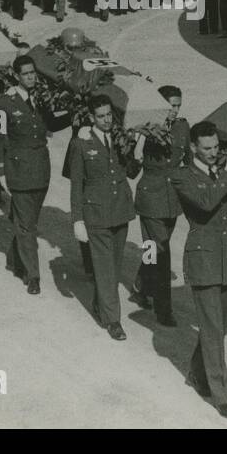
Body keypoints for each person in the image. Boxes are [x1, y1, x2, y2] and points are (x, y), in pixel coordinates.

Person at [168, 121, 227, 419]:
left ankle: (197, 373)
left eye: (216, 147)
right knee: (213, 330)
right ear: (193, 148)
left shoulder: (224, 173)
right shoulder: (182, 176)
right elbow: (205, 203)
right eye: (207, 148)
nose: (214, 153)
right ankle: (222, 395)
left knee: (218, 327)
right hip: (204, 260)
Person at [0, 55, 70, 295]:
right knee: (27, 227)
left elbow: (51, 125)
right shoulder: (3, 103)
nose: (31, 77)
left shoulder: (40, 98)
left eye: (33, 73)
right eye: (25, 74)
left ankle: (15, 260)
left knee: (28, 222)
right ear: (16, 75)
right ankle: (32, 274)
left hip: (41, 170)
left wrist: (73, 115)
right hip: (19, 171)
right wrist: (1, 173)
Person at [65, 94, 142, 340]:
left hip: (120, 210)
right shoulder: (81, 144)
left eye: (109, 114)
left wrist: (137, 150)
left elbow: (131, 172)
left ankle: (101, 304)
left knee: (114, 266)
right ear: (91, 118)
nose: (107, 120)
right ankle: (113, 320)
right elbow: (76, 183)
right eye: (101, 116)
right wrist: (77, 219)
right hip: (96, 213)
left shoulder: (121, 139)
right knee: (105, 269)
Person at [130, 85, 190, 326]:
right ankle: (164, 309)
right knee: (161, 252)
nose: (175, 110)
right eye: (171, 106)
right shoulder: (144, 128)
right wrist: (136, 146)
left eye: (178, 105)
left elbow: (189, 162)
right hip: (151, 198)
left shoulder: (183, 127)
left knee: (152, 250)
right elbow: (131, 169)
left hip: (173, 199)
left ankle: (141, 285)